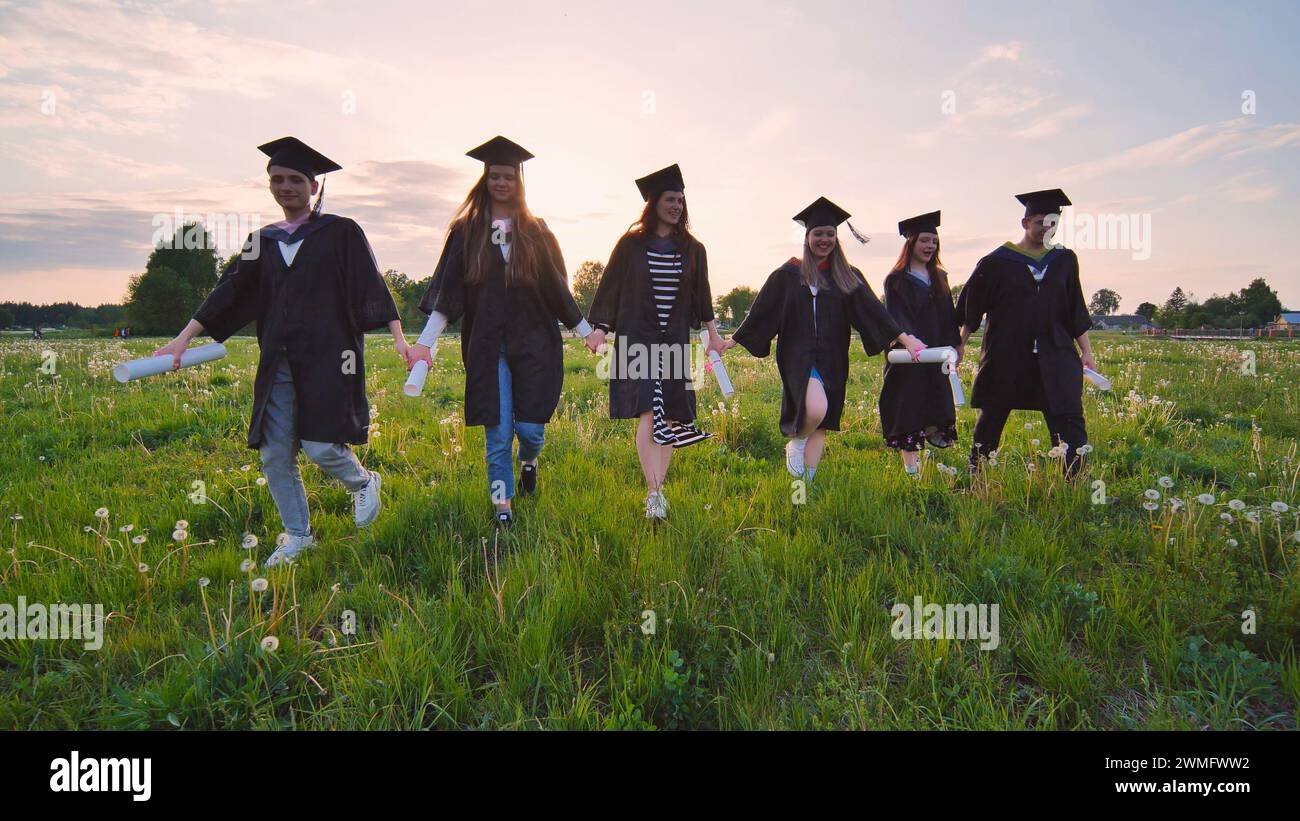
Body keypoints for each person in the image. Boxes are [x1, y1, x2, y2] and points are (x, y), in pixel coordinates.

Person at [155, 137, 407, 567]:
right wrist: (182, 339)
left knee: (321, 447)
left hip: (331, 357)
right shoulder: (262, 240)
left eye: (294, 179)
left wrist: (400, 338)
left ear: (313, 187)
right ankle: (297, 535)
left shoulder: (340, 231)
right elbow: (228, 292)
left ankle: (363, 481)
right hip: (279, 360)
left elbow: (372, 285)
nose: (285, 186)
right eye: (277, 179)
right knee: (274, 453)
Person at [409, 136, 598, 528]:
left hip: (534, 343)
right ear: (485, 180)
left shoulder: (535, 230)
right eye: (495, 175)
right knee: (496, 433)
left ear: (519, 181)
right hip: (487, 344)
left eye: (508, 176)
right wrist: (424, 344)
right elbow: (448, 294)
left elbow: (556, 288)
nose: (501, 182)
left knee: (530, 431)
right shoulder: (467, 231)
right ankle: (503, 507)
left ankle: (529, 462)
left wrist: (585, 331)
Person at [723, 197, 925, 483]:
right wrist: (732, 341)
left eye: (830, 234)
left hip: (833, 357)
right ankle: (795, 440)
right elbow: (762, 311)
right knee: (815, 409)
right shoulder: (788, 274)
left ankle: (803, 489)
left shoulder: (847, 276)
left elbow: (875, 312)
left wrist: (906, 339)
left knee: (823, 420)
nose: (825, 239)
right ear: (806, 237)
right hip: (798, 356)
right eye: (818, 233)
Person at [585, 164, 724, 520]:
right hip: (637, 339)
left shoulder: (694, 249)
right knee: (649, 409)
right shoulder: (631, 245)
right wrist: (599, 327)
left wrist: (712, 333)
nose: (676, 206)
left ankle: (658, 489)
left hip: (674, 341)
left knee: (672, 415)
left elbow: (703, 296)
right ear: (654, 203)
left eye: (680, 200)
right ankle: (654, 492)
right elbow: (611, 285)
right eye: (669, 199)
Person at [957, 188, 1096, 477]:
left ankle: (1076, 479)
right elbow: (971, 308)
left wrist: (1087, 352)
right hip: (1007, 353)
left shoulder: (1064, 260)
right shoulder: (996, 262)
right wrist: (960, 345)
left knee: (1068, 415)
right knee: (992, 413)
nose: (1047, 229)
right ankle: (976, 475)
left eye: (1053, 223)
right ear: (1025, 223)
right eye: (1040, 222)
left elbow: (1075, 309)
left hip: (1055, 352)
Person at [879, 211, 962, 476]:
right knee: (910, 409)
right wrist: (911, 343)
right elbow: (895, 318)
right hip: (910, 356)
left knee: (934, 406)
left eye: (934, 241)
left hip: (937, 355)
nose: (930, 246)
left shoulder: (940, 277)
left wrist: (955, 346)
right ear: (911, 243)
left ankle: (927, 466)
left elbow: (948, 314)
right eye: (924, 240)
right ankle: (912, 472)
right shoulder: (896, 280)